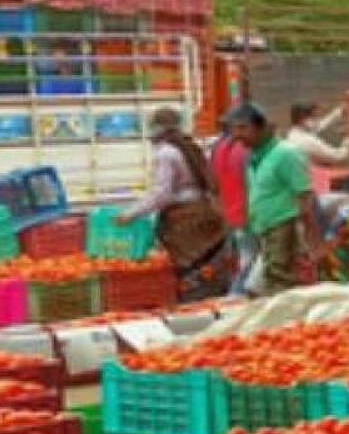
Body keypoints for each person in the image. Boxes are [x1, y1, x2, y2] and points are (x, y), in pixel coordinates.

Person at [117, 107, 236, 301]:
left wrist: (130, 214)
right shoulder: (188, 147)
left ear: (156, 128)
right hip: (204, 213)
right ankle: (214, 302)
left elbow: (161, 194)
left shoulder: (166, 154)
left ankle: (196, 306)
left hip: (184, 221)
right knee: (209, 265)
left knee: (191, 267)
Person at [242, 103, 324, 294]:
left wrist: (311, 235)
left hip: (285, 225)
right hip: (265, 226)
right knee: (271, 277)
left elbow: (304, 196)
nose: (238, 135)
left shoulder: (286, 154)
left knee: (282, 279)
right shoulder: (255, 158)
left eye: (244, 128)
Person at [210, 108, 253, 293]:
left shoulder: (219, 148)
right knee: (249, 260)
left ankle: (235, 295)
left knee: (242, 257)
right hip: (246, 211)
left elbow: (214, 181)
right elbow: (249, 182)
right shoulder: (242, 149)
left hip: (230, 210)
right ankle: (236, 297)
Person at [285, 103, 349, 169]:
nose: (316, 119)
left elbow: (320, 126)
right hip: (311, 180)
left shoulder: (293, 134)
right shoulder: (308, 141)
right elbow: (339, 156)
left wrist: (339, 111)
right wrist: (348, 137)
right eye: (313, 117)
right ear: (302, 119)